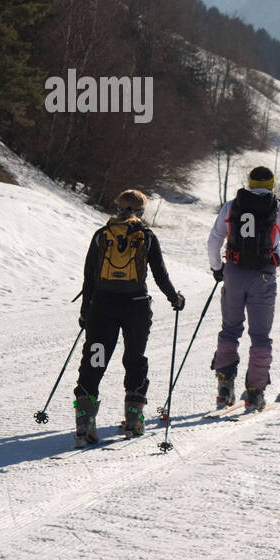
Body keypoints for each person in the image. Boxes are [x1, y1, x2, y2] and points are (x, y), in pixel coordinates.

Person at [75, 189, 184, 445]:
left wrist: (85, 310)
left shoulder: (102, 235)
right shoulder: (147, 236)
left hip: (103, 307)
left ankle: (85, 423)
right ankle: (133, 421)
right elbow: (160, 274)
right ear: (142, 211)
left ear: (117, 207)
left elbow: (89, 277)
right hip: (136, 307)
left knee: (95, 358)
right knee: (134, 359)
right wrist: (174, 298)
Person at [207, 165, 280, 409]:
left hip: (234, 272)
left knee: (230, 330)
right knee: (260, 336)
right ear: (272, 185)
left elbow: (214, 240)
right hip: (263, 276)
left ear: (249, 182)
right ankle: (255, 391)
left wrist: (217, 268)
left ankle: (224, 386)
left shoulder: (231, 206)